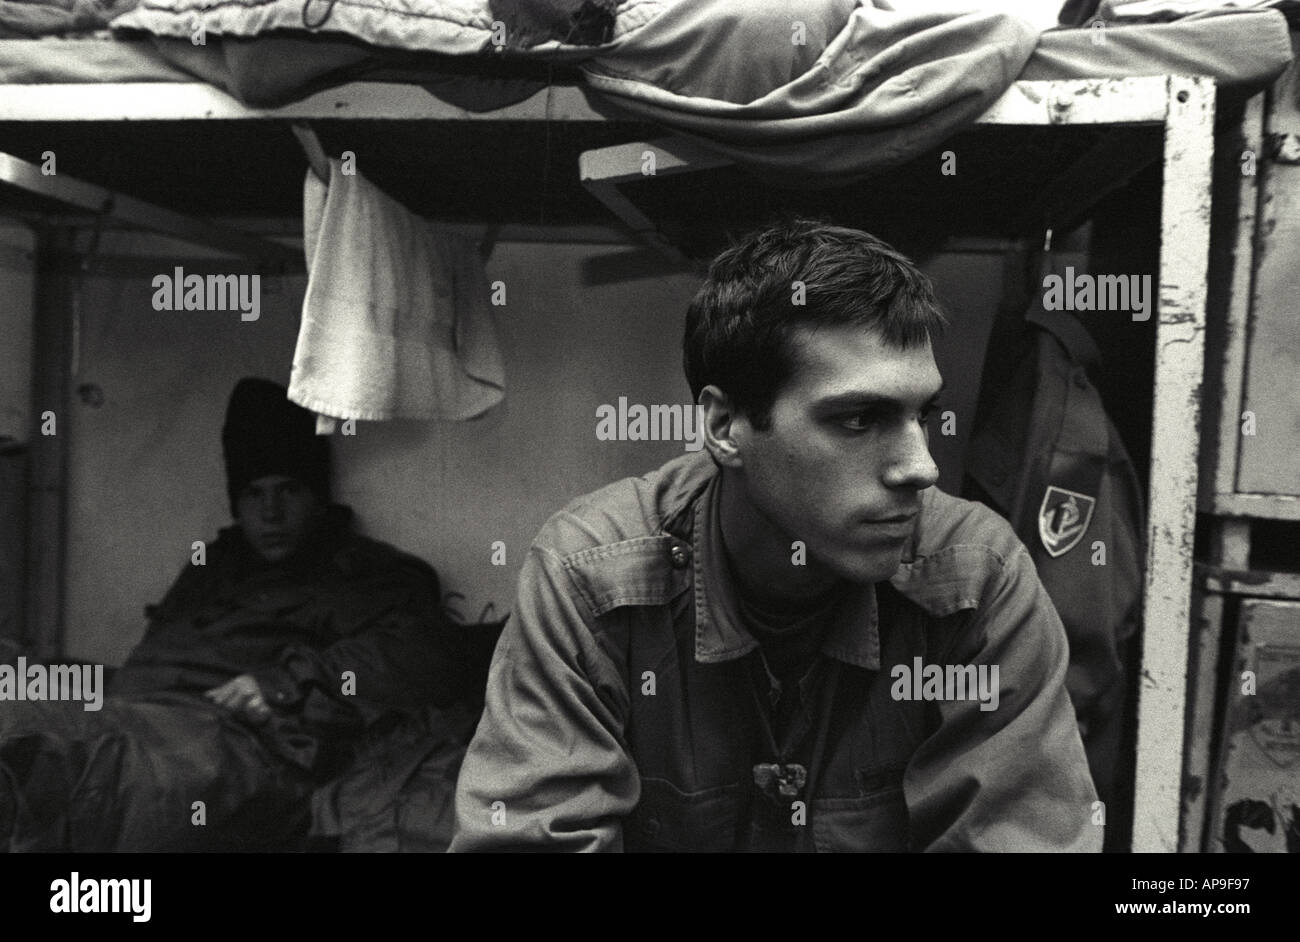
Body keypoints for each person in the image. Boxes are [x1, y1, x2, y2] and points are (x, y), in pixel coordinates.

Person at [451, 219, 1101, 852]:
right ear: (726, 425)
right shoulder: (591, 581)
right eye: (858, 419)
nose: (922, 466)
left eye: (921, 415)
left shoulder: (976, 584)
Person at [0, 378, 463, 851]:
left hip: (220, 736)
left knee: (39, 740)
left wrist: (283, 686)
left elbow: (427, 654)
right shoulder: (217, 564)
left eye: (289, 491)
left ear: (318, 496)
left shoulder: (366, 574)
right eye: (253, 495)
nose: (271, 513)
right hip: (132, 704)